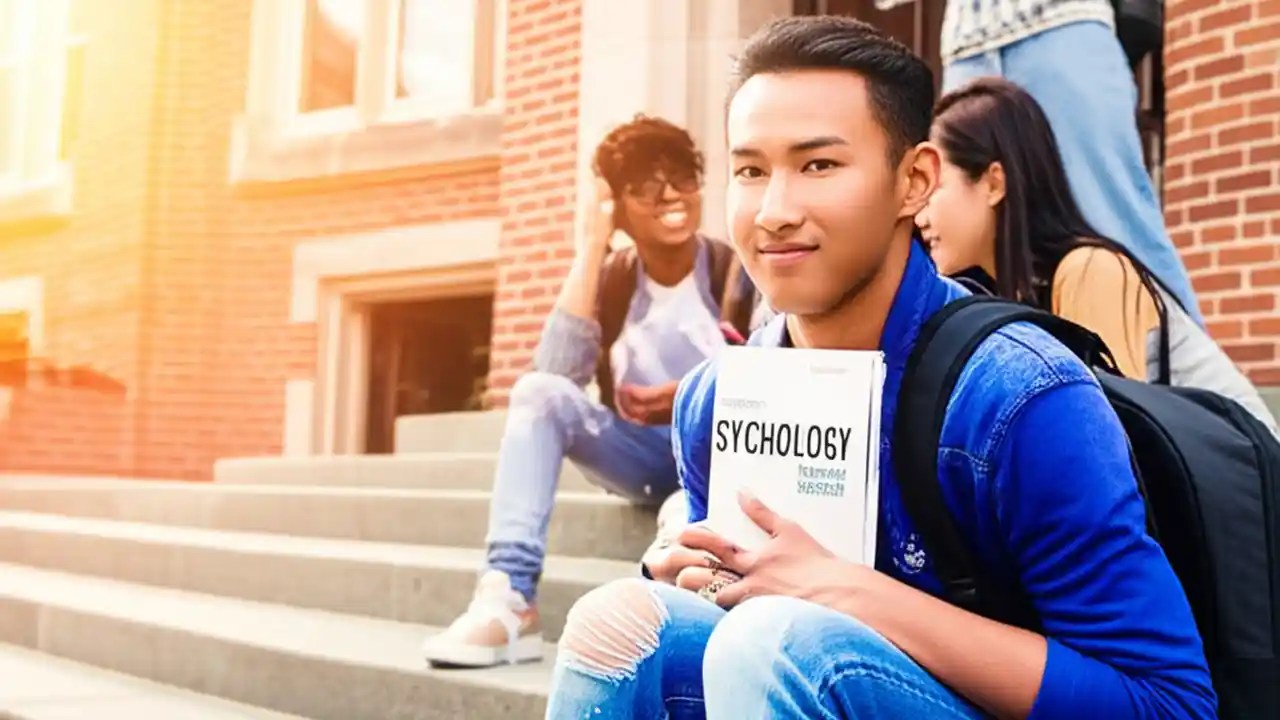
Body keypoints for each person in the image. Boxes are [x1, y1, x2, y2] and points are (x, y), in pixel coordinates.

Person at [544, 16, 1215, 719]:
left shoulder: (1021, 396)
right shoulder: (717, 396)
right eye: (750, 170)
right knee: (620, 620)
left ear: (913, 181)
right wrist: (682, 572)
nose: (772, 212)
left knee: (775, 642)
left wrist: (847, 592)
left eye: (818, 165)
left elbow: (1167, 703)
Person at [421, 115, 756, 668]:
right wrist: (591, 245)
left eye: (682, 176)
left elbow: (771, 382)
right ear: (616, 205)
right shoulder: (614, 278)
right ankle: (508, 600)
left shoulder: (733, 269)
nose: (670, 193)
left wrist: (692, 397)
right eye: (646, 184)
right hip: (639, 454)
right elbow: (557, 376)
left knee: (680, 521)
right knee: (537, 392)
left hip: (716, 459)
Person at [916, 77, 1278, 433]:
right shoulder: (1016, 292)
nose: (920, 215)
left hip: (1247, 483)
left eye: (935, 188)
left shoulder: (1090, 270)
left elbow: (1116, 443)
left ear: (994, 183)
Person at [876, 0, 1203, 326]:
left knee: (1115, 214)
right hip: (967, 41)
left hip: (1061, 20)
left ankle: (1188, 371)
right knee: (976, 255)